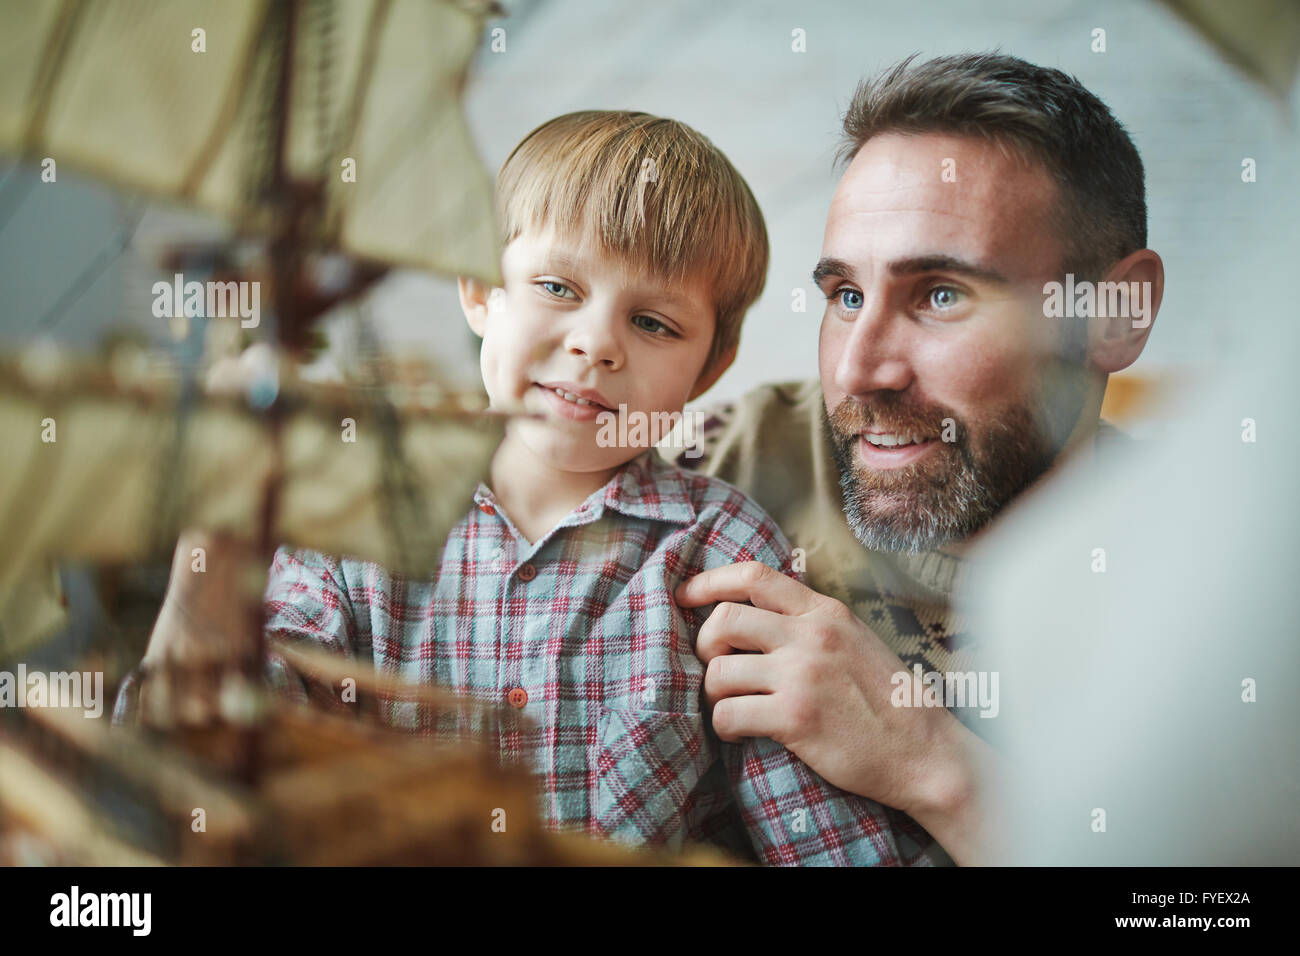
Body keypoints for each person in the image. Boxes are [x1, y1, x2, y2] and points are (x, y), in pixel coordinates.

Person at [117, 110, 938, 865]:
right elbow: (202, 754)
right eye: (558, 288)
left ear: (706, 369)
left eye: (653, 323)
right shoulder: (352, 512)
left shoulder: (721, 553)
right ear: (478, 290)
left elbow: (816, 835)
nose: (594, 345)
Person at [664, 53, 1164, 866]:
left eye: (940, 294)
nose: (859, 370)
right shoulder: (723, 461)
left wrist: (931, 763)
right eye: (846, 297)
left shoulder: (1228, 594)